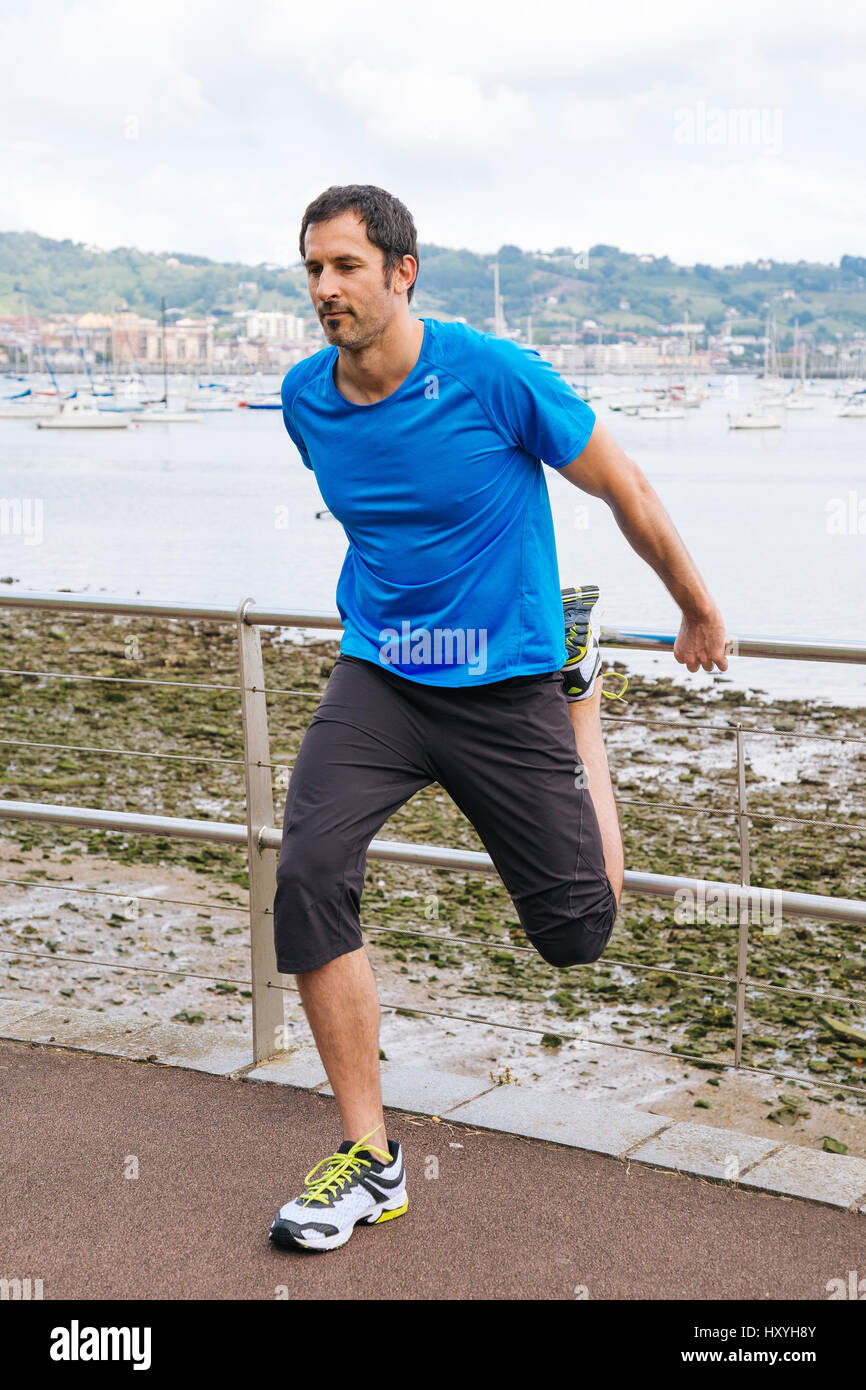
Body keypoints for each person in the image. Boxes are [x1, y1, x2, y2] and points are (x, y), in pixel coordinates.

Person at [269, 185, 728, 1252]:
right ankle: (369, 1160)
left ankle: (583, 701)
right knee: (306, 870)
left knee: (576, 934)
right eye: (311, 269)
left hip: (508, 687)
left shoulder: (492, 374)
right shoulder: (305, 400)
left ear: (400, 272)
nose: (325, 289)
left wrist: (696, 606)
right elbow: (385, 524)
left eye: (344, 266)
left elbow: (622, 486)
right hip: (379, 676)